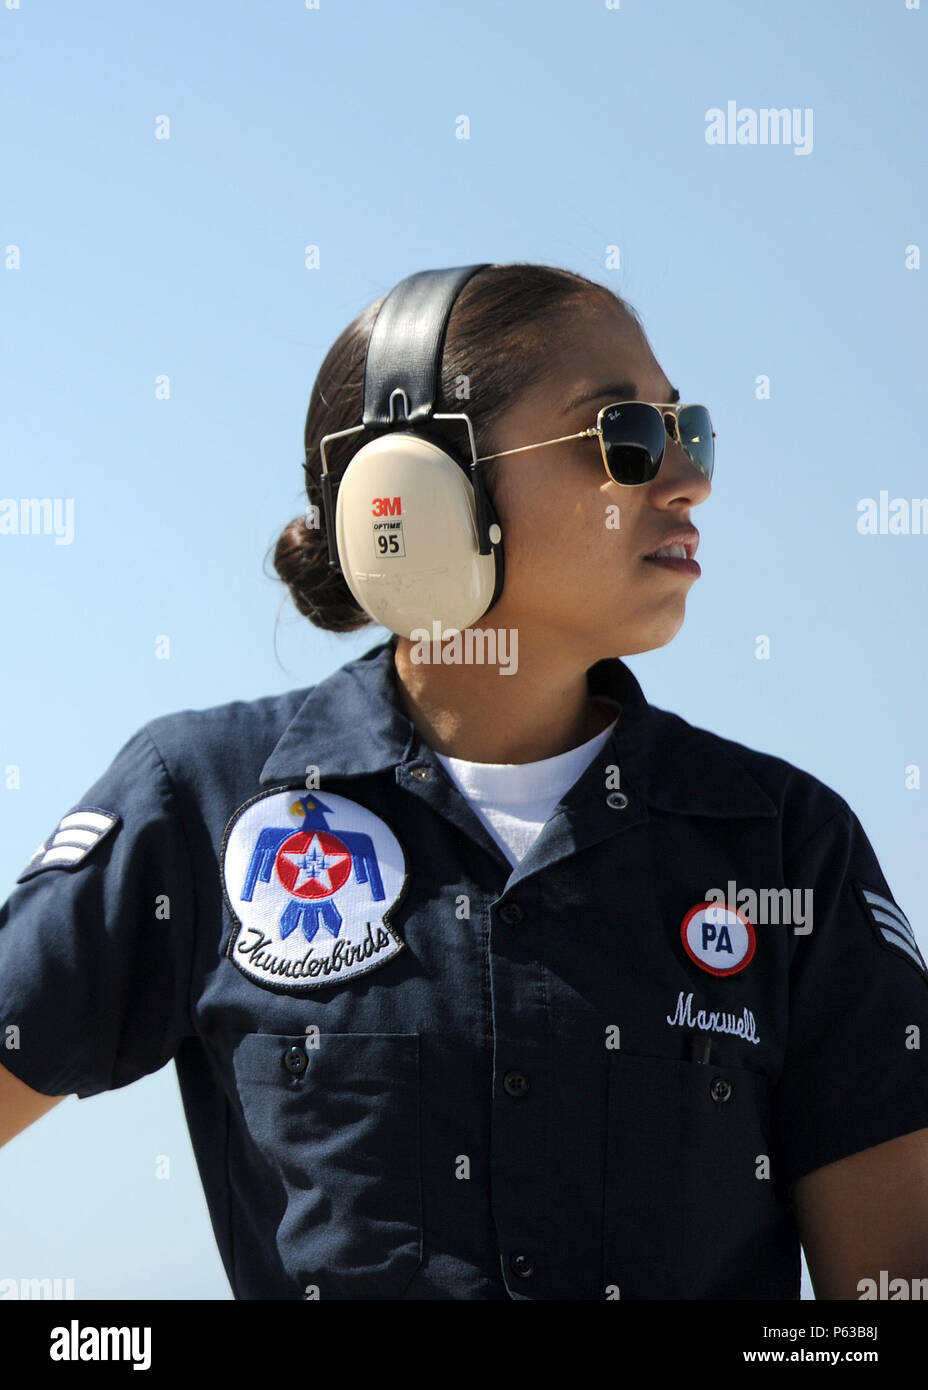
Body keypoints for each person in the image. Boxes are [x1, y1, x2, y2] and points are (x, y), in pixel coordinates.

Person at [1, 261, 927, 1301]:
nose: (688, 478)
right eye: (623, 432)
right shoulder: (197, 800)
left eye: (690, 430)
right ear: (417, 489)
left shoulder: (783, 842)